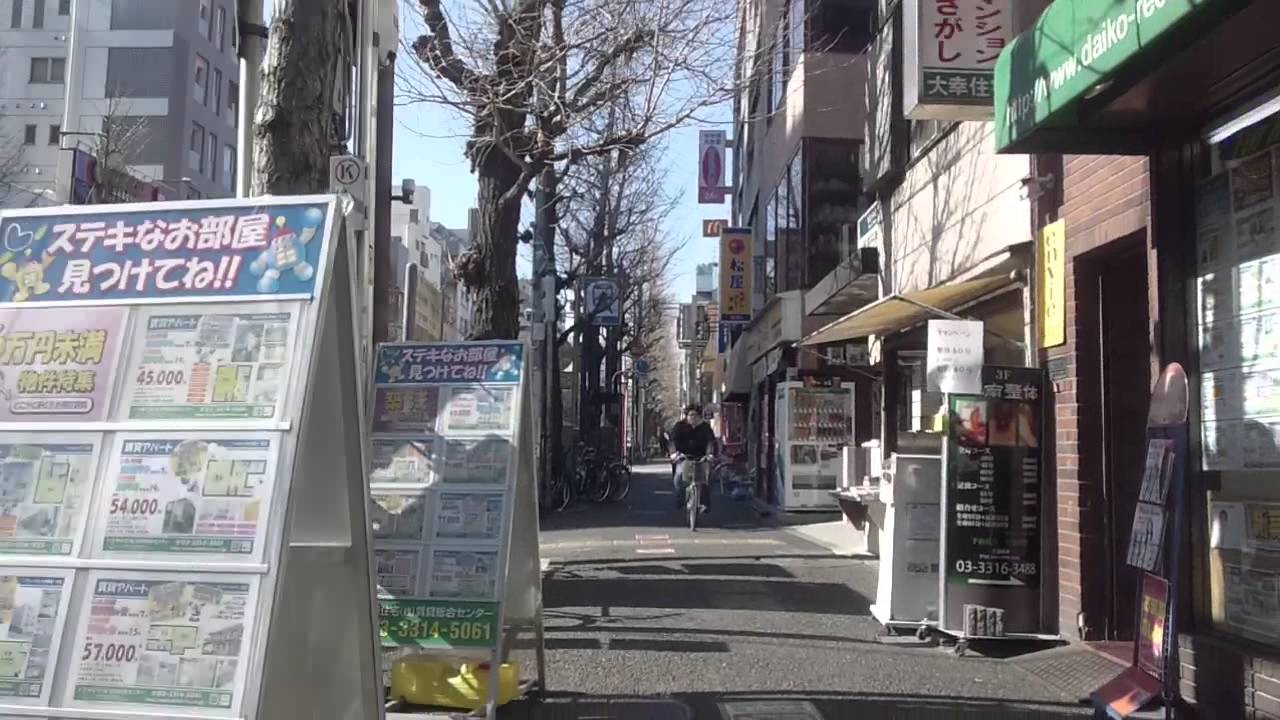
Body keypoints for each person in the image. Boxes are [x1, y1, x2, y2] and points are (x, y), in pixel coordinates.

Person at [670, 403, 717, 513]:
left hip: (701, 457)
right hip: (683, 457)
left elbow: (711, 441)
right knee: (679, 477)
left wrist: (710, 454)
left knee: (708, 477)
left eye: (695, 415)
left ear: (700, 417)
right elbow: (673, 441)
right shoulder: (680, 426)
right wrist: (674, 453)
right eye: (690, 415)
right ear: (686, 416)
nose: (693, 418)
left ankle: (705, 503)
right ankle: (680, 499)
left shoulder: (705, 428)